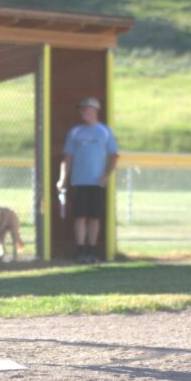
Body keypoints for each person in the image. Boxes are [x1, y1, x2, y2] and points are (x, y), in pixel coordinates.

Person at [56, 97, 119, 265]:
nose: (83, 112)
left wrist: (107, 175)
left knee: (94, 217)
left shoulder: (104, 131)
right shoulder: (75, 132)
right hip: (79, 181)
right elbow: (67, 158)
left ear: (94, 110)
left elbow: (114, 155)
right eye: (81, 109)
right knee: (80, 216)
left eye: (86, 109)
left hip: (97, 182)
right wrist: (63, 179)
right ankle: (81, 251)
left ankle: (92, 250)